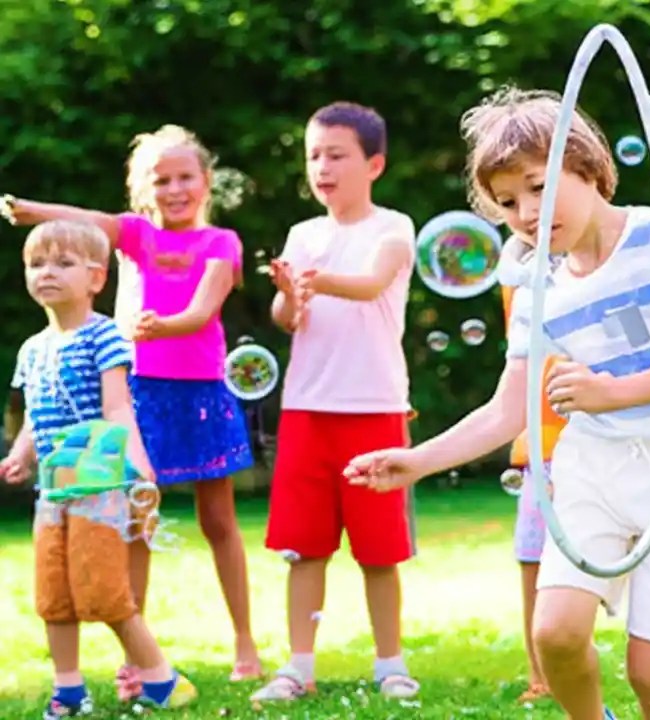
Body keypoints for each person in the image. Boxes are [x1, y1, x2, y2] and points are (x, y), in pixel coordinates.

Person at [344, 86, 650, 720]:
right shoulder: (537, 284)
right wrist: (415, 461)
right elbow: (508, 409)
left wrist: (612, 392)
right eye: (507, 201)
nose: (526, 211)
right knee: (553, 634)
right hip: (591, 469)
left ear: (586, 167)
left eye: (539, 186)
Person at [2, 125, 261, 695]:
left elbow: (203, 308)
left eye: (184, 177)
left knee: (218, 521)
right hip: (138, 390)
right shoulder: (136, 235)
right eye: (160, 179)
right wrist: (26, 212)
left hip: (198, 394)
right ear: (142, 189)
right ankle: (136, 660)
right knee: (134, 522)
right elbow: (84, 218)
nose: (174, 189)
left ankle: (245, 641)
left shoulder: (221, 241)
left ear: (205, 180)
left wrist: (164, 326)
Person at [251, 101, 420, 702]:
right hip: (306, 409)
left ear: (374, 163)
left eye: (336, 155)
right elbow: (288, 318)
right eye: (314, 155)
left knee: (379, 550)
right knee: (303, 547)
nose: (322, 166)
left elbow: (373, 283)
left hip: (373, 407)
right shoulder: (304, 234)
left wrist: (313, 280)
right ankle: (298, 666)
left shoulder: (394, 227)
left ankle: (390, 664)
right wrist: (289, 296)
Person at [2, 220, 197, 718]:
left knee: (104, 589)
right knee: (53, 591)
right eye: (37, 263)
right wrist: (21, 454)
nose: (47, 273)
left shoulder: (104, 336)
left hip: (98, 480)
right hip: (53, 487)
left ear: (96, 278)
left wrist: (139, 460)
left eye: (63, 263)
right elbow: (33, 414)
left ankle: (158, 676)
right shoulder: (32, 349)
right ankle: (68, 688)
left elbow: (117, 408)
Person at [500, 266, 568, 705]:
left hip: (607, 442)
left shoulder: (615, 260)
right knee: (533, 559)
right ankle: (540, 674)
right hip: (539, 447)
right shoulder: (518, 274)